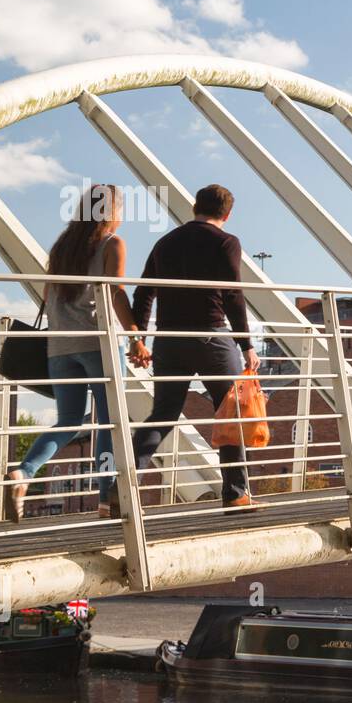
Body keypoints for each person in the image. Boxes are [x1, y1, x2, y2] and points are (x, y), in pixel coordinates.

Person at [4, 184, 148, 522]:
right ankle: (106, 500)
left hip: (59, 347)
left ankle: (23, 473)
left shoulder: (62, 247)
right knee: (112, 423)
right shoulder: (113, 244)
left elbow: (49, 294)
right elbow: (115, 292)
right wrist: (135, 337)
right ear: (112, 212)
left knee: (68, 420)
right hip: (96, 343)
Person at [128, 184, 260, 509]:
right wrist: (246, 344)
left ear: (194, 208)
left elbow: (144, 293)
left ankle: (122, 486)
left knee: (163, 414)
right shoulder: (227, 242)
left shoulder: (165, 242)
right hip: (210, 337)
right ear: (227, 214)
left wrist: (139, 338)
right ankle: (236, 493)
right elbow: (232, 293)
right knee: (230, 412)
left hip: (168, 341)